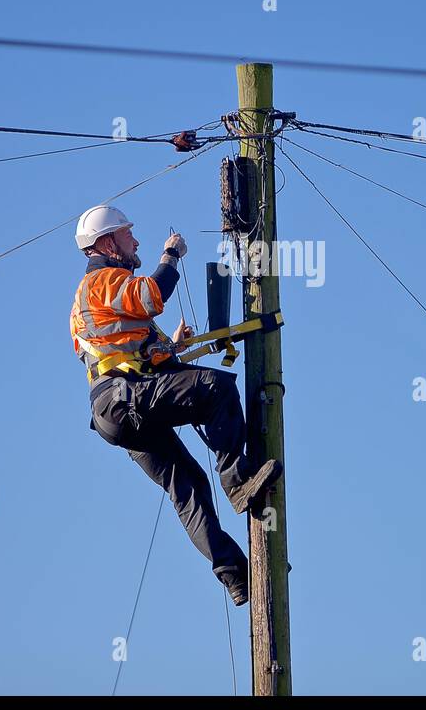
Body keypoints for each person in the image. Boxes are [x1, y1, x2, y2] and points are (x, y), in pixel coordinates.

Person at [70, 204, 283, 606]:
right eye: (128, 234)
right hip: (125, 396)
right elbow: (152, 295)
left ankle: (235, 576)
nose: (135, 242)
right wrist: (171, 254)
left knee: (188, 486)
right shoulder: (102, 281)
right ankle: (237, 481)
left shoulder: (102, 297)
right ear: (107, 242)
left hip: (115, 412)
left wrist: (170, 346)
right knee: (216, 389)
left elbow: (137, 351)